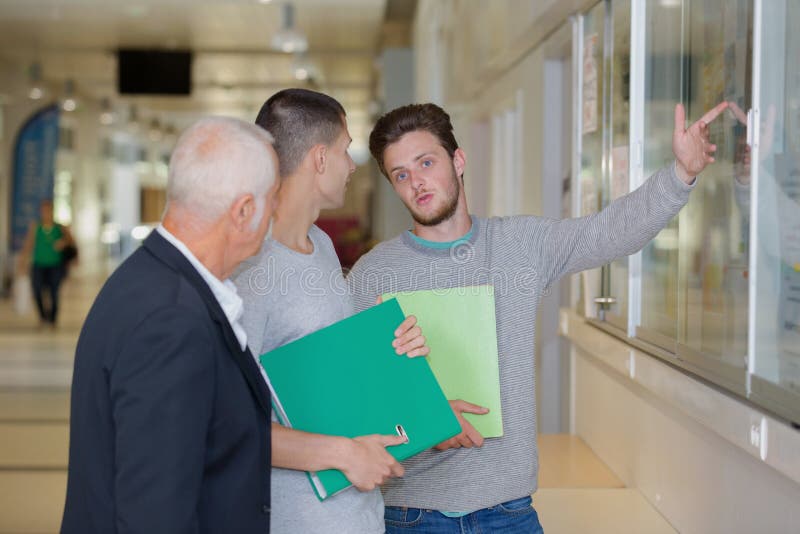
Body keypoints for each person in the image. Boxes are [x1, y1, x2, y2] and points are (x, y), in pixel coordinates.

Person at [346, 100, 728, 532]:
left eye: (426, 162)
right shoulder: (373, 274)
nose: (417, 182)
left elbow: (608, 233)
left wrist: (680, 174)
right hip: (412, 515)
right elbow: (354, 398)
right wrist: (425, 419)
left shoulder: (520, 245)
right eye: (401, 175)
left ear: (458, 160)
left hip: (507, 512)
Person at [61, 117, 279, 533]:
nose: (274, 211)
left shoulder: (146, 280)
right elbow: (155, 517)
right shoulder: (173, 322)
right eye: (273, 198)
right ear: (244, 211)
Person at [234, 88, 428, 534]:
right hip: (293, 519)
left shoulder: (320, 245)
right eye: (346, 150)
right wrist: (344, 455)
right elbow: (228, 424)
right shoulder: (250, 266)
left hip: (354, 512)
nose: (352, 165)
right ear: (320, 158)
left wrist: (401, 369)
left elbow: (332, 377)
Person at [20, 200, 75, 326]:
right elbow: (29, 244)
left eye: (48, 211)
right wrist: (22, 261)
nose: (46, 214)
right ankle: (43, 316)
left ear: (52, 211)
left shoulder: (60, 227)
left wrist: (63, 243)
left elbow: (72, 242)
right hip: (38, 264)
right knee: (37, 289)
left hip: (55, 265)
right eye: (43, 211)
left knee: (54, 292)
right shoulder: (36, 227)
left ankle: (53, 319)